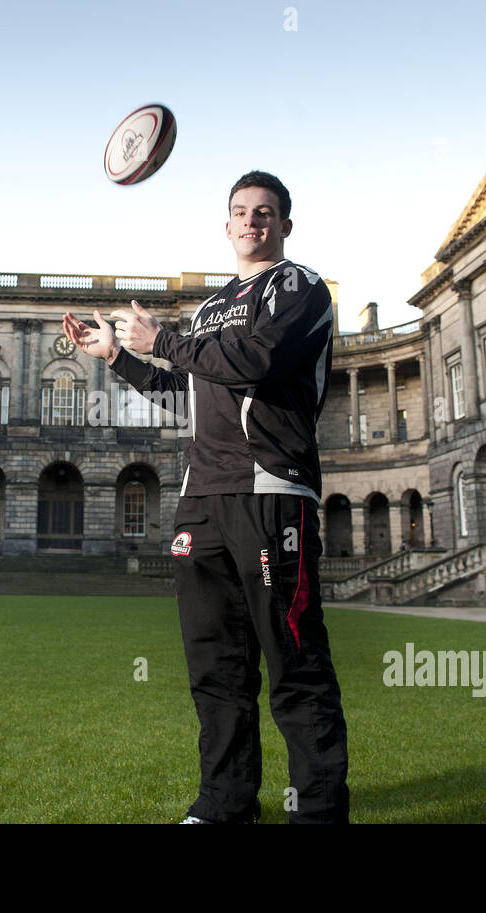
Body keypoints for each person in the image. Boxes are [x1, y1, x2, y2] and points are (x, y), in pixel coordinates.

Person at [62, 171, 349, 824]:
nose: (252, 222)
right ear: (226, 226)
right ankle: (225, 804)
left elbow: (252, 363)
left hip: (271, 492)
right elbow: (184, 398)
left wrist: (163, 340)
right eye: (241, 212)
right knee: (216, 670)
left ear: (284, 224)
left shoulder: (298, 288)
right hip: (203, 500)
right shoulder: (207, 310)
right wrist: (115, 357)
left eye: (265, 212)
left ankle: (320, 812)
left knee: (295, 665)